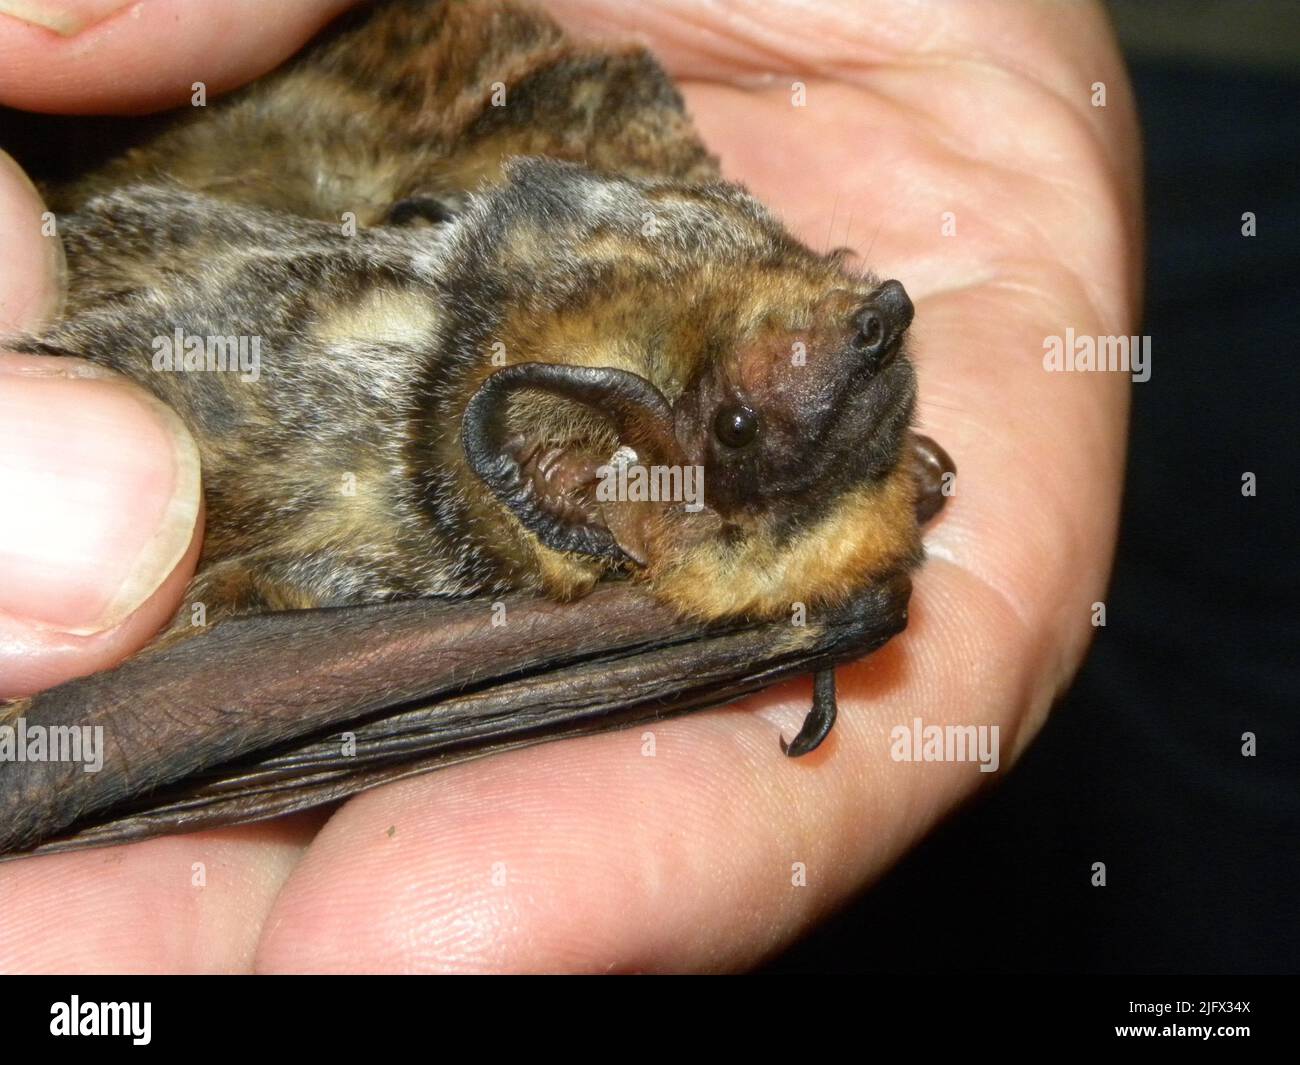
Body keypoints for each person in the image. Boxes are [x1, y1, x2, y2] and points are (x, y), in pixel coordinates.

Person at [0, 0, 1140, 972]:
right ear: (592, 481)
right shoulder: (486, 526)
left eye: (858, 319)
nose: (874, 326)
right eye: (737, 424)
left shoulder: (636, 450)